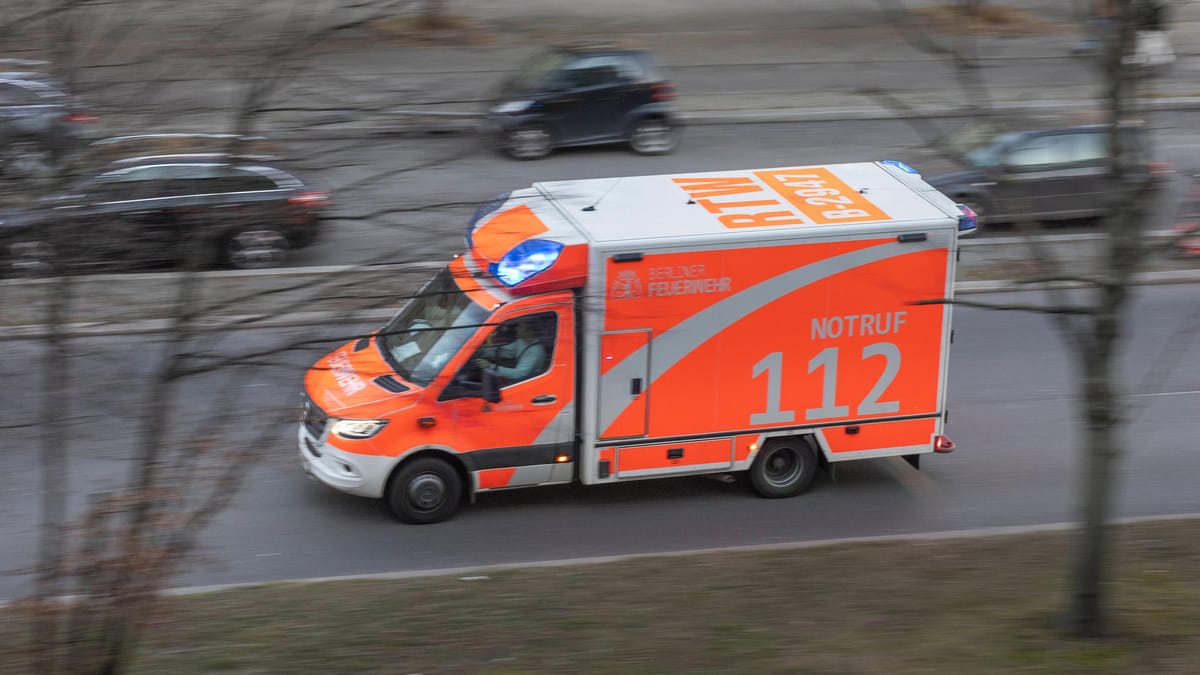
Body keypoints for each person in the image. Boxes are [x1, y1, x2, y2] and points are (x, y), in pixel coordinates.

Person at [473, 318, 548, 383]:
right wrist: (481, 351)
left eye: (520, 327)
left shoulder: (535, 352)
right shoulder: (522, 342)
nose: (516, 329)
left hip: (525, 383)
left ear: (529, 332)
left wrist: (490, 366)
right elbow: (504, 351)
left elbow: (518, 374)